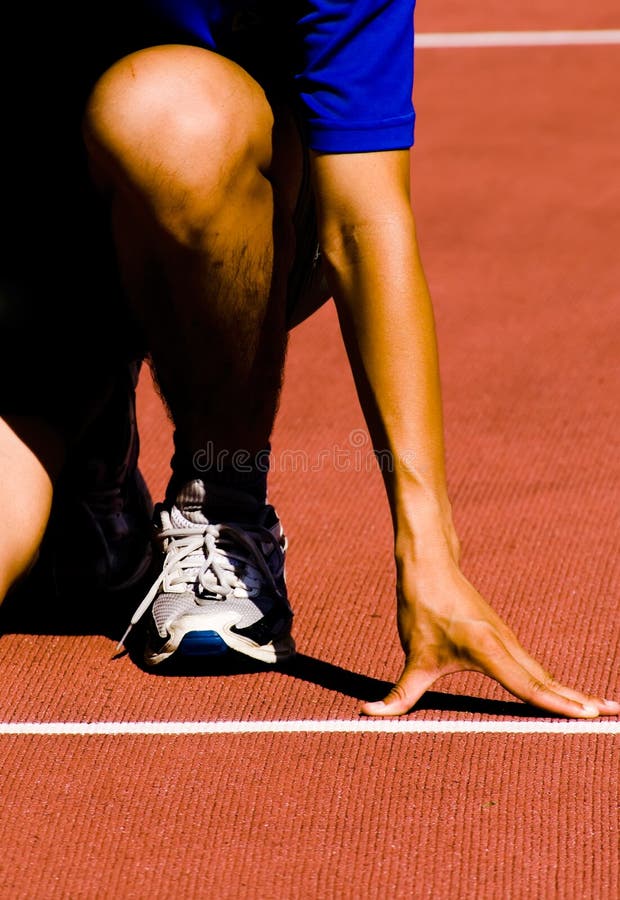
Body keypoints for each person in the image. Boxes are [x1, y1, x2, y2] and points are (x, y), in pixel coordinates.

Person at [2, 2, 617, 720]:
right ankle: (90, 465)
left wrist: (429, 555)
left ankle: (222, 502)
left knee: (173, 116)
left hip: (250, 212)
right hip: (47, 249)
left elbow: (364, 226)